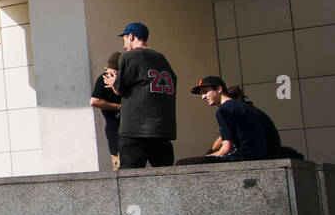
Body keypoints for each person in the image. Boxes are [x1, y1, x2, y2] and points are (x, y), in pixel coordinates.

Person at [112, 22, 177, 168]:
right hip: (162, 130)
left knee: (130, 179)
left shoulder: (129, 57)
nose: (124, 46)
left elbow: (119, 89)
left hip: (135, 130)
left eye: (124, 40)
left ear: (131, 36)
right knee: (165, 176)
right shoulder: (161, 58)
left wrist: (112, 82)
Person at [183, 76, 269, 162]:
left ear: (219, 89)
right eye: (201, 94)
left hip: (244, 158)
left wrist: (211, 158)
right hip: (260, 156)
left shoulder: (223, 110)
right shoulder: (246, 107)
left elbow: (227, 147)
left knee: (183, 163)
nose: (203, 97)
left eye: (205, 92)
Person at [90, 52, 122, 170]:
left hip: (128, 129)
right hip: (114, 128)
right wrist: (119, 107)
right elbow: (94, 101)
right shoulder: (104, 79)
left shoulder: (122, 80)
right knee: (119, 164)